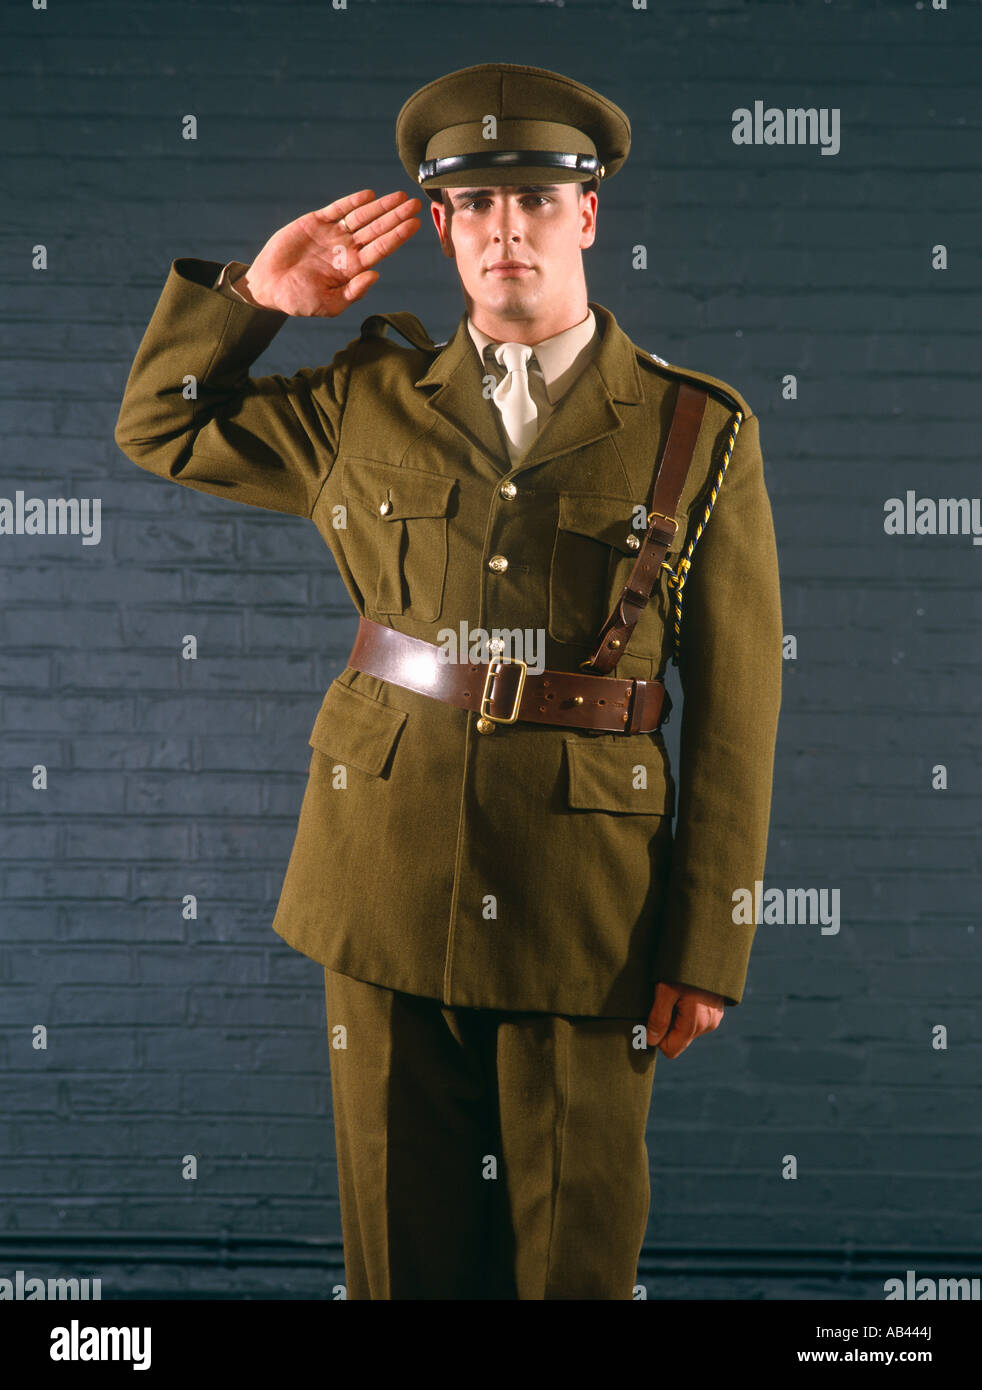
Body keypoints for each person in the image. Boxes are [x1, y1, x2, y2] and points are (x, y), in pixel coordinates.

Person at [115, 62, 783, 1300]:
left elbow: (738, 708)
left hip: (586, 901)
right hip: (381, 874)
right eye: (474, 205)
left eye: (534, 197)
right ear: (442, 228)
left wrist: (710, 939)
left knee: (572, 1260)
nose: (506, 228)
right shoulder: (364, 401)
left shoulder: (697, 429)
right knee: (401, 1254)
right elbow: (162, 426)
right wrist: (256, 301)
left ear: (586, 214)